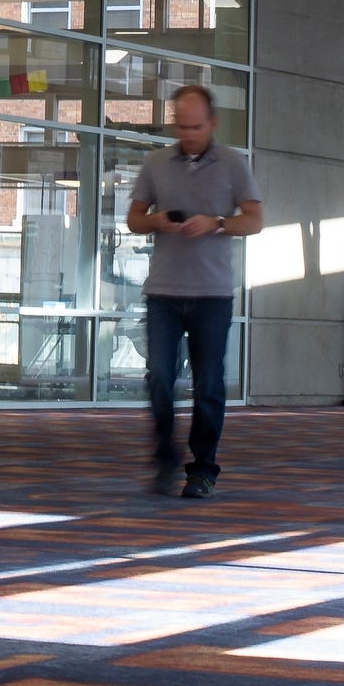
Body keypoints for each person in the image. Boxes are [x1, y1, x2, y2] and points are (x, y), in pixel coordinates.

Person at [124, 84, 263, 499]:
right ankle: (165, 454)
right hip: (164, 291)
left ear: (212, 124)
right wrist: (158, 220)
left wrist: (217, 223)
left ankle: (202, 469)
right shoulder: (156, 163)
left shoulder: (234, 165)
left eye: (196, 127)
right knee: (160, 377)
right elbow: (134, 219)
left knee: (208, 384)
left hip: (212, 295)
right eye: (182, 126)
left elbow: (254, 220)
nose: (188, 134)